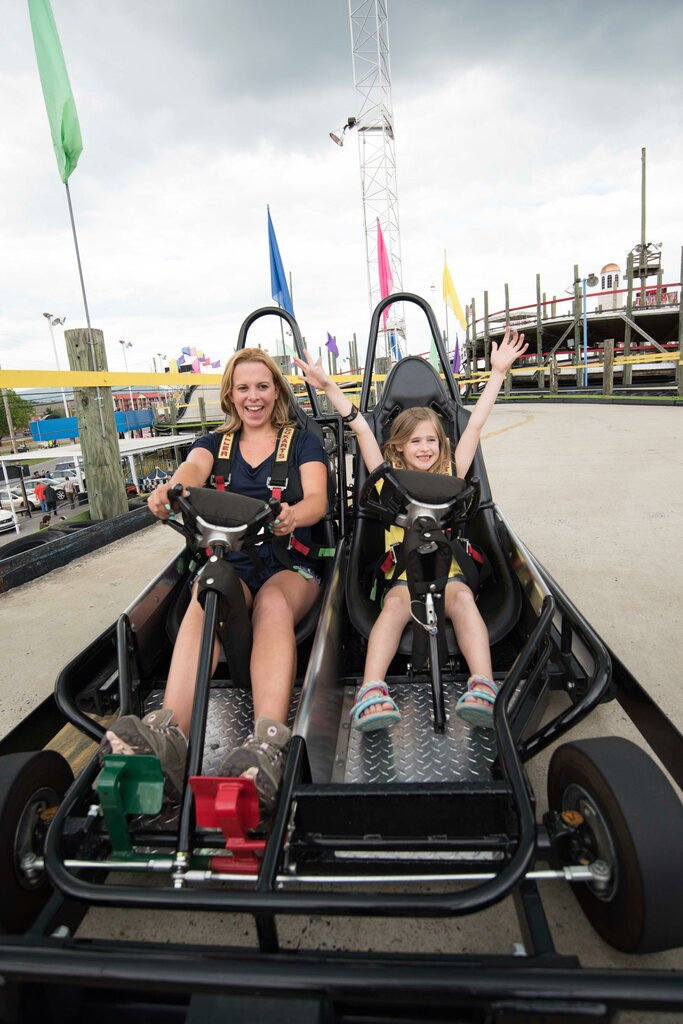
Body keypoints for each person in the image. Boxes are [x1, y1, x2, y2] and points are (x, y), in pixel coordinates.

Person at [99, 348, 329, 818]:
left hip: (291, 564)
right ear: (229, 394)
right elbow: (189, 475)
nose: (253, 396)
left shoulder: (303, 440)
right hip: (233, 565)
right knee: (208, 594)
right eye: (243, 387)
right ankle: (167, 734)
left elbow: (319, 501)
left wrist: (292, 517)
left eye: (262, 386)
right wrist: (167, 492)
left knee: (272, 606)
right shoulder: (212, 443)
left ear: (276, 391)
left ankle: (267, 744)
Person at [294, 327, 527, 732]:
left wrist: (497, 374)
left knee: (465, 604)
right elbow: (362, 428)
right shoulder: (388, 479)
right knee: (395, 608)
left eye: (433, 440)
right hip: (402, 573)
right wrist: (330, 386)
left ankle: (483, 685)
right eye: (415, 441)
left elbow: (473, 427)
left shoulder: (452, 471)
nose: (425, 448)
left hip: (450, 570)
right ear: (399, 445)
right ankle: (372, 689)